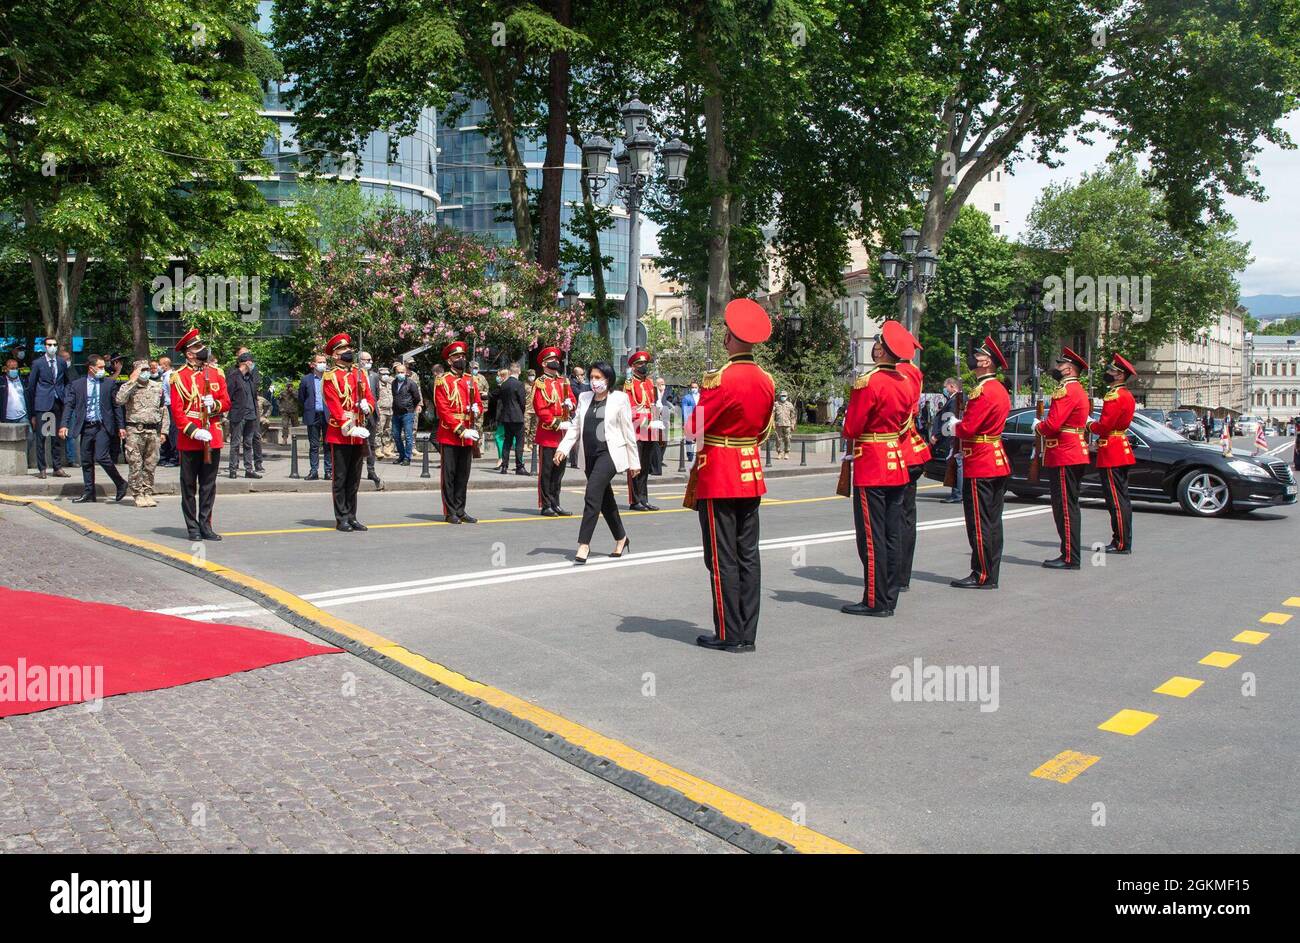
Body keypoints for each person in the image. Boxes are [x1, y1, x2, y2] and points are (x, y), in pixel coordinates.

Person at [689, 299, 776, 651]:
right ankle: (747, 632)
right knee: (747, 554)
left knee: (721, 556)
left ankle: (728, 631)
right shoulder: (767, 380)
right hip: (749, 470)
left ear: (732, 338)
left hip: (720, 472)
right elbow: (763, 431)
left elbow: (695, 426)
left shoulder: (721, 378)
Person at [841, 321, 915, 617]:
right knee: (892, 533)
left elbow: (852, 426)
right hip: (896, 461)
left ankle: (875, 599)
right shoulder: (905, 381)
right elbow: (905, 424)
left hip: (872, 462)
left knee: (871, 536)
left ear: (882, 349)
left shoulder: (869, 381)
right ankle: (890, 596)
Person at [555, 360, 638, 564]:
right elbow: (576, 426)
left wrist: (634, 461)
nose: (594, 382)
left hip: (609, 454)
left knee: (592, 494)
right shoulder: (584, 397)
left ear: (607, 379)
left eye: (598, 378)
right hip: (589, 454)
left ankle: (584, 543)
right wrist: (563, 448)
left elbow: (628, 430)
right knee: (605, 499)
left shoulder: (619, 398)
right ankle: (621, 538)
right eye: (591, 377)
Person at [946, 338, 1012, 589]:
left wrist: (956, 427)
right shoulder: (999, 389)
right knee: (993, 521)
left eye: (977, 355)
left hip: (981, 461)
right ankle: (990, 572)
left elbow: (971, 427)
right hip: (995, 457)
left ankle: (982, 573)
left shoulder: (982, 390)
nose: (973, 358)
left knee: (979, 522)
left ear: (985, 362)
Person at [168, 330, 230, 540]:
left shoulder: (216, 373)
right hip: (190, 438)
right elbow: (177, 412)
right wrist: (195, 432)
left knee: (208, 485)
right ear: (189, 353)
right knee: (188, 485)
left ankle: (205, 525)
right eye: (197, 347)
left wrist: (215, 405)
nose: (202, 350)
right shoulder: (179, 377)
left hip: (212, 434)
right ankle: (192, 528)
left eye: (202, 345)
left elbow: (227, 401)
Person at [1033, 346, 1091, 569]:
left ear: (1068, 368)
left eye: (1060, 364)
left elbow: (1054, 424)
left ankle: (1069, 556)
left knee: (1065, 507)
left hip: (1065, 453)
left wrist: (1040, 427)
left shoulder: (1066, 390)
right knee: (1068, 506)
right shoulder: (1076, 389)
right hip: (1071, 451)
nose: (1056, 367)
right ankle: (1069, 553)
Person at [322, 333, 375, 532]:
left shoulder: (359, 374)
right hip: (341, 432)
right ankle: (341, 517)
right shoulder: (330, 376)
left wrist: (367, 405)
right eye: (343, 350)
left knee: (354, 478)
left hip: (359, 432)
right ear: (335, 355)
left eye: (348, 349)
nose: (348, 352)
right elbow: (334, 405)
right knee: (341, 478)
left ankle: (352, 516)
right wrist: (349, 426)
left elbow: (369, 398)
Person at [59, 353, 128, 504]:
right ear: (91, 368)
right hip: (86, 426)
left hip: (103, 425)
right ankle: (89, 493)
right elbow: (69, 405)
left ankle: (120, 483)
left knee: (102, 456)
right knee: (86, 460)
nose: (104, 369)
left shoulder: (108, 384)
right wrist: (64, 424)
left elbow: (116, 407)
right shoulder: (77, 385)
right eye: (101, 367)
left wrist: (121, 427)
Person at [1088, 353, 1137, 555]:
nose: (1107, 373)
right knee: (1122, 498)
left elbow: (1105, 425)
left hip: (1112, 449)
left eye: (1111, 371)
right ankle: (1123, 539)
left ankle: (1121, 542)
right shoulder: (1126, 395)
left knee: (1115, 500)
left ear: (1119, 375)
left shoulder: (1114, 395)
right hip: (1119, 446)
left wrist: (1089, 424)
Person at [895, 339, 933, 592]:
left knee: (894, 520)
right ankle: (901, 575)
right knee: (906, 518)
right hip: (913, 450)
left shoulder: (901, 373)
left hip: (899, 452)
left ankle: (896, 575)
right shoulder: (913, 372)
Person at [435, 341, 483, 523]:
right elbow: (443, 409)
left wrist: (477, 409)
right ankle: (450, 511)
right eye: (457, 357)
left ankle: (461, 509)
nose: (461, 359)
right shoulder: (443, 380)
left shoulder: (470, 380)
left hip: (468, 433)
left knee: (463, 474)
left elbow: (477, 402)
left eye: (463, 356)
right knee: (449, 475)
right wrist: (460, 429)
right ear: (449, 361)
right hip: (451, 433)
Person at [113, 358, 167, 507]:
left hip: (153, 430)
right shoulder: (129, 387)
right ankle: (137, 494)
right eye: (142, 370)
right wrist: (132, 381)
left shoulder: (157, 387)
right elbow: (119, 400)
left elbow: (163, 410)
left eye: (147, 370)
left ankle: (148, 492)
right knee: (135, 464)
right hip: (135, 430)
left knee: (151, 464)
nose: (145, 373)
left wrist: (164, 431)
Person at [532, 346, 575, 516]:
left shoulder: (563, 381)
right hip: (548, 434)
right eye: (552, 360)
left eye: (557, 360)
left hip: (563, 436)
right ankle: (546, 504)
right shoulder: (540, 383)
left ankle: (556, 502)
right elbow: (541, 409)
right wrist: (557, 423)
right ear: (544, 363)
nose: (555, 362)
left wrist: (571, 406)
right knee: (547, 472)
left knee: (559, 472)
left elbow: (572, 399)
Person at [26, 334, 70, 479]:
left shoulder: (61, 362)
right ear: (45, 347)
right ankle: (42, 468)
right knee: (42, 437)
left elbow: (66, 381)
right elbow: (31, 386)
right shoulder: (38, 363)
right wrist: (32, 411)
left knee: (56, 437)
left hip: (57, 403)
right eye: (49, 345)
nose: (52, 347)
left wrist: (65, 396)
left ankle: (57, 467)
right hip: (42, 403)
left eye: (54, 345)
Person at [624, 350, 662, 510]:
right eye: (640, 364)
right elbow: (629, 408)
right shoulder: (629, 384)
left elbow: (652, 404)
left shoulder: (649, 383)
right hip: (636, 430)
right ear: (633, 367)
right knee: (635, 465)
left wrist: (656, 419)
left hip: (649, 430)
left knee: (645, 466)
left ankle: (644, 498)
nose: (643, 367)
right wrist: (645, 417)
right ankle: (635, 500)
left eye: (644, 364)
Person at [225, 351, 260, 479]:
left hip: (251, 414)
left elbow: (253, 395)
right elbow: (228, 395)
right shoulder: (233, 377)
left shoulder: (250, 378)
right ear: (246, 363)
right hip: (238, 414)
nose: (253, 364)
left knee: (248, 443)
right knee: (235, 443)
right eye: (251, 362)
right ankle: (233, 469)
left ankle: (249, 469)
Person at [298, 353, 332, 480]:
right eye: (320, 362)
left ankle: (328, 471)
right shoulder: (306, 379)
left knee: (328, 444)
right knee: (314, 445)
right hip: (312, 415)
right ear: (313, 364)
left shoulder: (329, 378)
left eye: (324, 362)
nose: (323, 364)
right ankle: (314, 470)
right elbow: (301, 398)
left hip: (327, 415)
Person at [234, 346, 266, 473]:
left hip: (252, 406)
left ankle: (258, 463)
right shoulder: (233, 370)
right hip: (238, 408)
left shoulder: (254, 371)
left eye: (248, 354)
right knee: (236, 439)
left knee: (256, 436)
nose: (247, 358)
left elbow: (256, 384)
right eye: (243, 355)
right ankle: (234, 464)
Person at [931, 377, 963, 503]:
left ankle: (957, 494)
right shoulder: (956, 399)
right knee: (956, 465)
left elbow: (949, 421)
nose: (945, 389)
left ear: (952, 386)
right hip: (955, 436)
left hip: (953, 437)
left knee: (956, 465)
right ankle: (957, 493)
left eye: (946, 386)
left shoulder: (955, 400)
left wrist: (937, 436)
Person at [358, 350, 383, 490]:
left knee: (372, 444)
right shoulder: (355, 374)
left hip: (372, 413)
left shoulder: (374, 376)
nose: (369, 362)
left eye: (370, 360)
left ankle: (371, 470)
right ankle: (357, 470)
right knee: (359, 444)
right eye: (366, 360)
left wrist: (370, 407)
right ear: (360, 360)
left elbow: (376, 395)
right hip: (359, 413)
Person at [497, 364, 527, 474]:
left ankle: (504, 466)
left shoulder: (504, 384)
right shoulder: (519, 384)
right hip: (517, 416)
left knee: (507, 441)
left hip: (506, 416)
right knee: (519, 442)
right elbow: (522, 401)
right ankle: (519, 466)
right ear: (518, 371)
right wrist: (521, 413)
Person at [2, 357, 32, 465]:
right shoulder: (1, 381)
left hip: (22, 415)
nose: (14, 370)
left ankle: (24, 461)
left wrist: (31, 415)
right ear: (6, 369)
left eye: (16, 368)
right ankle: (8, 463)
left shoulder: (23, 380)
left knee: (30, 438)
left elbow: (28, 397)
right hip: (7, 417)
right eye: (12, 368)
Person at [391, 360, 420, 465]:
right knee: (396, 435)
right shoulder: (394, 383)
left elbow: (417, 397)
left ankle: (407, 458)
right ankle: (401, 455)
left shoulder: (411, 383)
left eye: (402, 372)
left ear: (406, 372)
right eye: (398, 372)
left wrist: (410, 406)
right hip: (396, 413)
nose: (400, 374)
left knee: (408, 435)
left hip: (407, 413)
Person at [157, 355, 179, 466]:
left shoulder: (170, 376)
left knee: (172, 431)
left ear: (165, 365)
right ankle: (165, 456)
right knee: (165, 430)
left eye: (160, 364)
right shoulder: (164, 376)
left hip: (171, 406)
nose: (158, 367)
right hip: (166, 406)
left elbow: (172, 393)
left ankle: (175, 457)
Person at [374, 366, 395, 459]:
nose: (386, 376)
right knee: (379, 430)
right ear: (379, 375)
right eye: (383, 374)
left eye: (387, 374)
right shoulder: (377, 384)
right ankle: (378, 449)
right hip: (381, 410)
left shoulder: (390, 384)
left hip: (390, 410)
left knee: (388, 430)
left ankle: (387, 449)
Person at [772, 390, 796, 459]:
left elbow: (793, 415)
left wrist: (793, 424)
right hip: (778, 424)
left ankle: (786, 452)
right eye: (782, 396)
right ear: (780, 396)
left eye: (784, 396)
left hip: (787, 425)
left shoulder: (789, 405)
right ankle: (779, 452)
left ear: (787, 396)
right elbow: (772, 415)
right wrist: (773, 423)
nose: (783, 397)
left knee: (787, 439)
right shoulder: (776, 404)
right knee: (778, 439)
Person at [681, 381, 700, 462]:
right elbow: (684, 411)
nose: (694, 389)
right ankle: (690, 455)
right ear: (690, 388)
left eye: (695, 387)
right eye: (693, 387)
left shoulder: (701, 396)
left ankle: (699, 454)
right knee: (689, 439)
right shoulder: (687, 398)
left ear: (698, 388)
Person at [523, 368, 538, 450]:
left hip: (535, 409)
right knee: (526, 427)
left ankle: (531, 443)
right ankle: (525, 444)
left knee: (534, 428)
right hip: (527, 409)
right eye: (530, 375)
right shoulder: (524, 385)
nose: (532, 377)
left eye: (533, 375)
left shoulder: (537, 385)